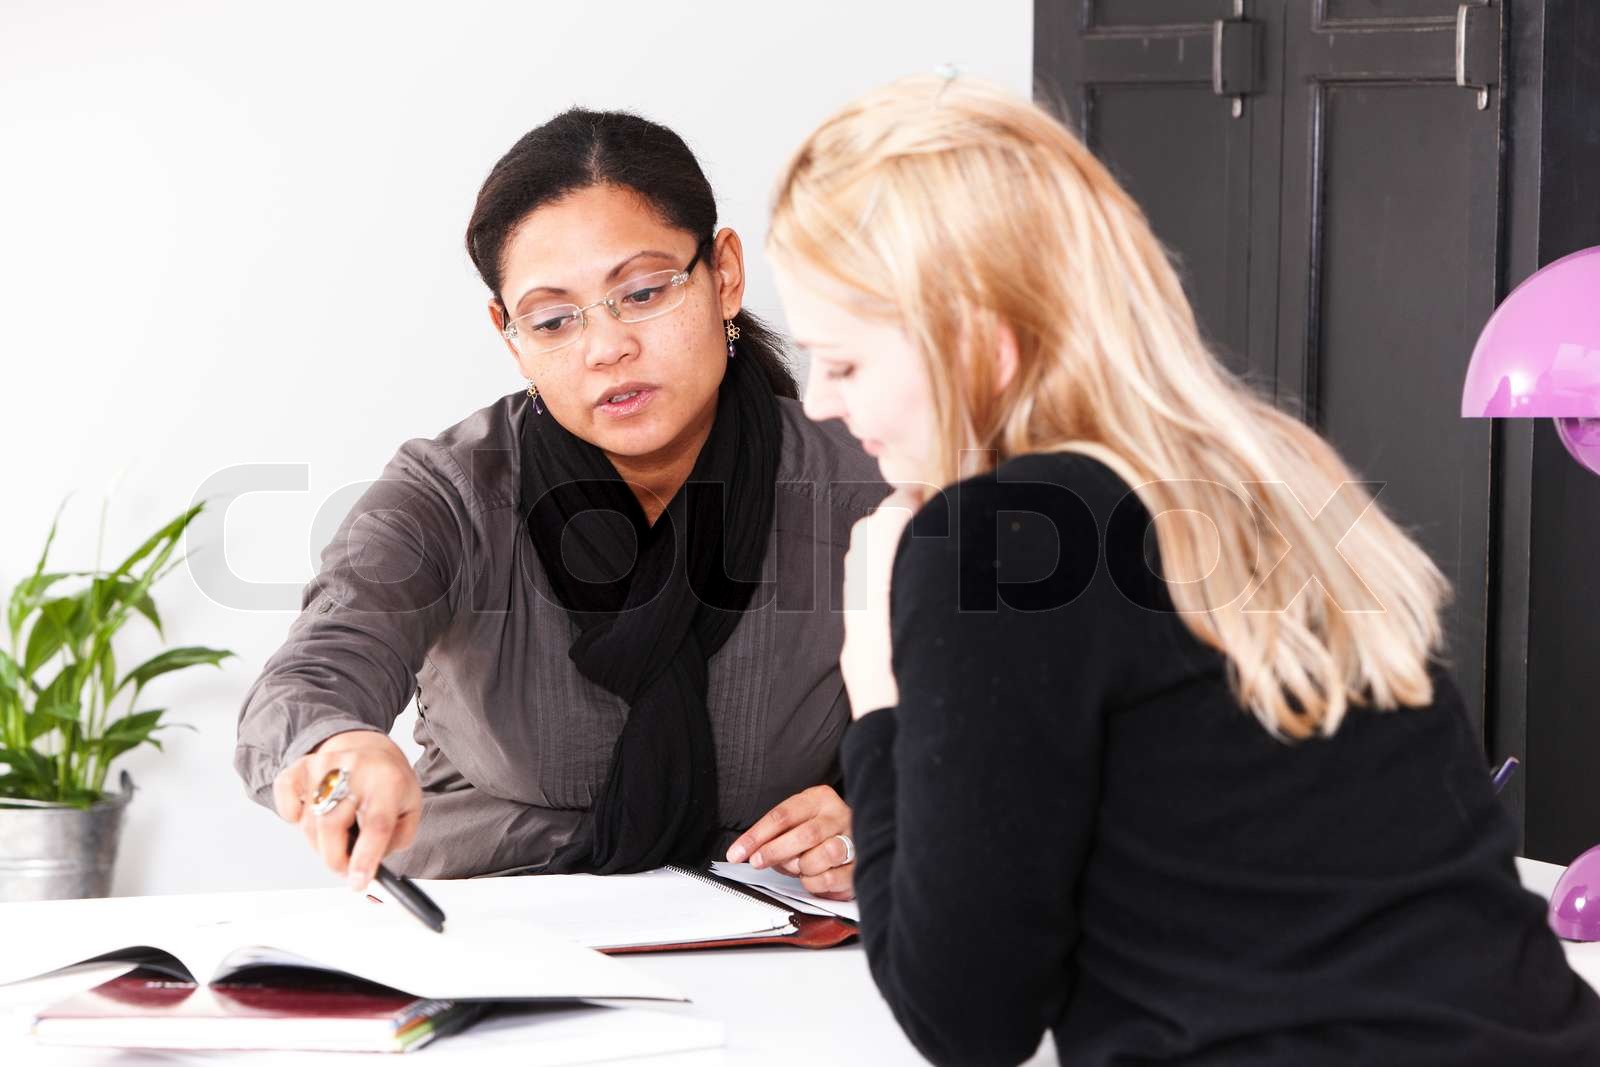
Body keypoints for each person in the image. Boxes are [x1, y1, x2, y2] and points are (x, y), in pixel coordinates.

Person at [766, 74, 1600, 1065]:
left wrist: (877, 698)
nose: (818, 401)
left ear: (978, 343)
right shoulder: (1276, 476)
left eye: (845, 361)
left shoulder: (995, 537)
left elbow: (965, 1019)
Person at [235, 108, 884, 895]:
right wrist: (339, 751)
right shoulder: (451, 491)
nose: (606, 346)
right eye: (552, 320)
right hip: (484, 932)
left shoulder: (866, 476)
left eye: (643, 292)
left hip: (770, 946)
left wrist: (885, 810)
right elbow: (314, 674)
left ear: (726, 275)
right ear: (510, 335)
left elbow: (988, 731)